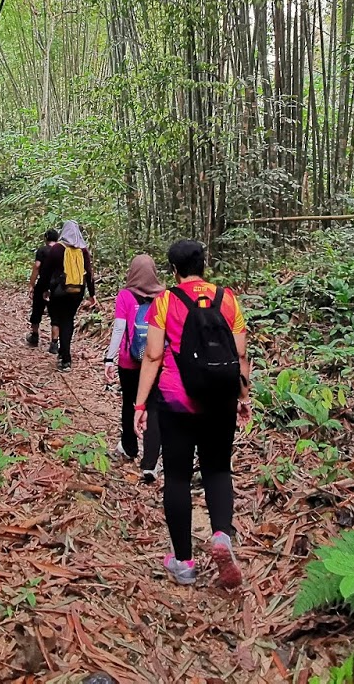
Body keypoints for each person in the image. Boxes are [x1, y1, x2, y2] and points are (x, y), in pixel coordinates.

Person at [133, 239, 250, 589]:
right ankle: (221, 537)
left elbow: (152, 356)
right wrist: (243, 396)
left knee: (179, 478)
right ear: (204, 264)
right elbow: (240, 355)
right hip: (221, 400)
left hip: (176, 401)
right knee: (217, 469)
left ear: (173, 270)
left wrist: (140, 405)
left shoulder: (165, 302)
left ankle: (183, 563)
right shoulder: (228, 299)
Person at [104, 254, 164, 482]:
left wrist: (109, 359)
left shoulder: (125, 295)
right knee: (153, 407)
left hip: (129, 362)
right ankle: (150, 464)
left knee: (130, 403)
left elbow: (119, 329)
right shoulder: (164, 296)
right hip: (156, 360)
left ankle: (129, 446)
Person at [49, 219, 95, 371]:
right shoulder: (83, 250)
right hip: (77, 291)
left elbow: (46, 272)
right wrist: (91, 294)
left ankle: (63, 353)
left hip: (58, 291)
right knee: (68, 319)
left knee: (59, 319)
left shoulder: (56, 249)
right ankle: (65, 357)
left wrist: (43, 289)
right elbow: (88, 273)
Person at [26, 228, 62, 351]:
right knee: (56, 313)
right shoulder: (62, 250)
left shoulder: (42, 250)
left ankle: (35, 336)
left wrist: (31, 284)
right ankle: (54, 343)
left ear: (46, 238)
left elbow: (37, 266)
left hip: (43, 284)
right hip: (57, 286)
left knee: (37, 308)